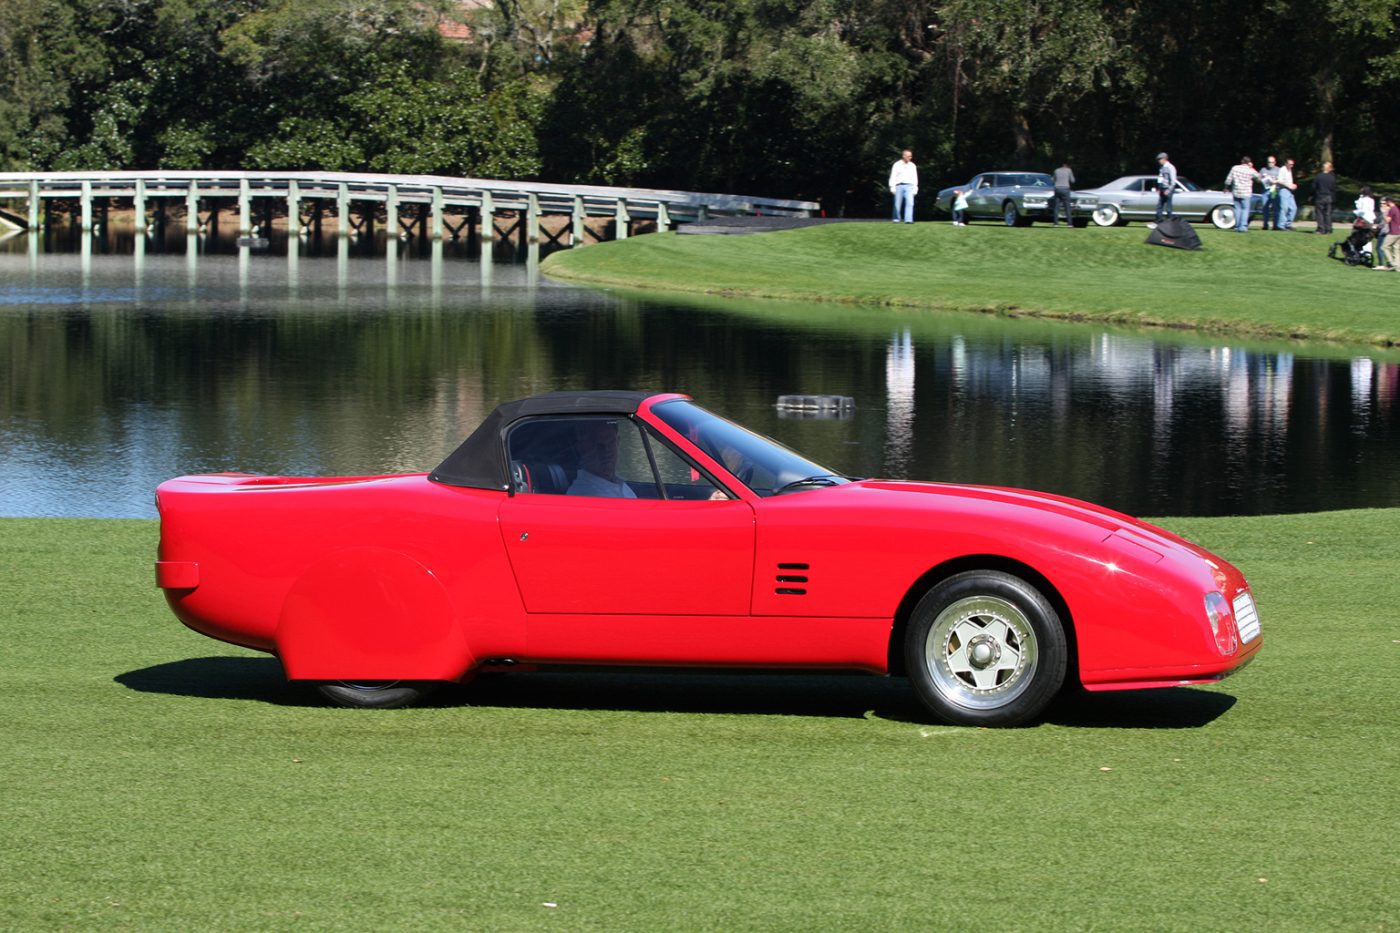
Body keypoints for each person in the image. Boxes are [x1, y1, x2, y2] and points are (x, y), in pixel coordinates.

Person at [567, 420, 637, 498]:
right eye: (598, 445)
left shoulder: (619, 484)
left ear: (618, 442)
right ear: (582, 448)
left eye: (611, 442)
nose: (606, 451)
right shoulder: (583, 494)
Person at [1224, 156, 1261, 232]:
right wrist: (1252, 167)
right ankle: (1243, 226)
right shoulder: (1250, 170)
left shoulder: (1235, 168)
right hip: (1246, 193)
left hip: (1236, 191)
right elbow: (1259, 178)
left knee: (1237, 209)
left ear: (1242, 161)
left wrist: (1226, 187)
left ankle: (1237, 226)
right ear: (1249, 163)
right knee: (1245, 209)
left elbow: (1228, 179)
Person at [888, 149, 918, 224]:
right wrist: (892, 187)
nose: (910, 158)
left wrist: (915, 188)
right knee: (897, 204)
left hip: (909, 186)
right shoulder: (897, 164)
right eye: (908, 156)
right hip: (899, 186)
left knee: (910, 203)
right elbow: (893, 176)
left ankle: (908, 220)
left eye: (910, 156)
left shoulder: (912, 165)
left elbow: (914, 177)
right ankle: (896, 219)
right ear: (903, 156)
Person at [1313, 161, 1337, 234]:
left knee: (1320, 213)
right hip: (1329, 197)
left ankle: (1321, 229)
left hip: (1320, 196)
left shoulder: (1318, 176)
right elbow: (1333, 188)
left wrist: (1312, 194)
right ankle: (1328, 229)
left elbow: (1314, 187)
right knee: (1328, 213)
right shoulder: (1332, 178)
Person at [1377, 195, 1400, 271]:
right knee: (1396, 249)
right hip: (1399, 232)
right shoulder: (1397, 209)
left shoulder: (1392, 209)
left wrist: (1384, 213)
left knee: (1384, 247)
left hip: (1393, 232)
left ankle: (1392, 263)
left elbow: (1387, 220)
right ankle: (1398, 267)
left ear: (1389, 202)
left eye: (1386, 202)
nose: (1385, 204)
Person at [1154, 152, 1177, 223]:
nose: (1159, 161)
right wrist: (1159, 188)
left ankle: (1172, 222)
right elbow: (1161, 178)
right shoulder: (1162, 168)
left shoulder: (1171, 167)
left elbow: (1173, 181)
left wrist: (1169, 190)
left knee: (1168, 208)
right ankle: (1158, 221)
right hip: (1162, 189)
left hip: (1168, 189)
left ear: (1164, 159)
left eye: (1160, 159)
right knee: (1159, 206)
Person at [1259, 155, 1280, 229]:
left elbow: (1281, 180)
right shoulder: (1263, 170)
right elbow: (1259, 179)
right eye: (1269, 162)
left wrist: (1274, 181)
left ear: (1275, 162)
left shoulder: (1278, 170)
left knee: (1275, 208)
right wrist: (1264, 179)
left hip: (1274, 190)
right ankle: (1265, 225)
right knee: (1265, 208)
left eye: (1272, 162)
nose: (1270, 163)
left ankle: (1275, 225)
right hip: (1265, 190)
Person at [1277, 158, 1298, 230]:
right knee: (1284, 208)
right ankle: (1281, 225)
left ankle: (1288, 224)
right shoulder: (1282, 169)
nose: (1291, 166)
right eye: (1290, 164)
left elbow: (1289, 181)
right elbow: (1279, 181)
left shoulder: (1290, 170)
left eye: (1292, 164)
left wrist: (1293, 185)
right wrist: (1289, 186)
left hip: (1290, 191)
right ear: (1286, 164)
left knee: (1293, 208)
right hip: (1283, 190)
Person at [1052, 162, 1075, 226]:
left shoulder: (1056, 170)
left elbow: (1053, 180)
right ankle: (1069, 224)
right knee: (1067, 207)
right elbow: (1072, 180)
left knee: (1056, 207)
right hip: (1065, 189)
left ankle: (1056, 223)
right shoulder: (1069, 170)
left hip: (1057, 188)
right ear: (1067, 166)